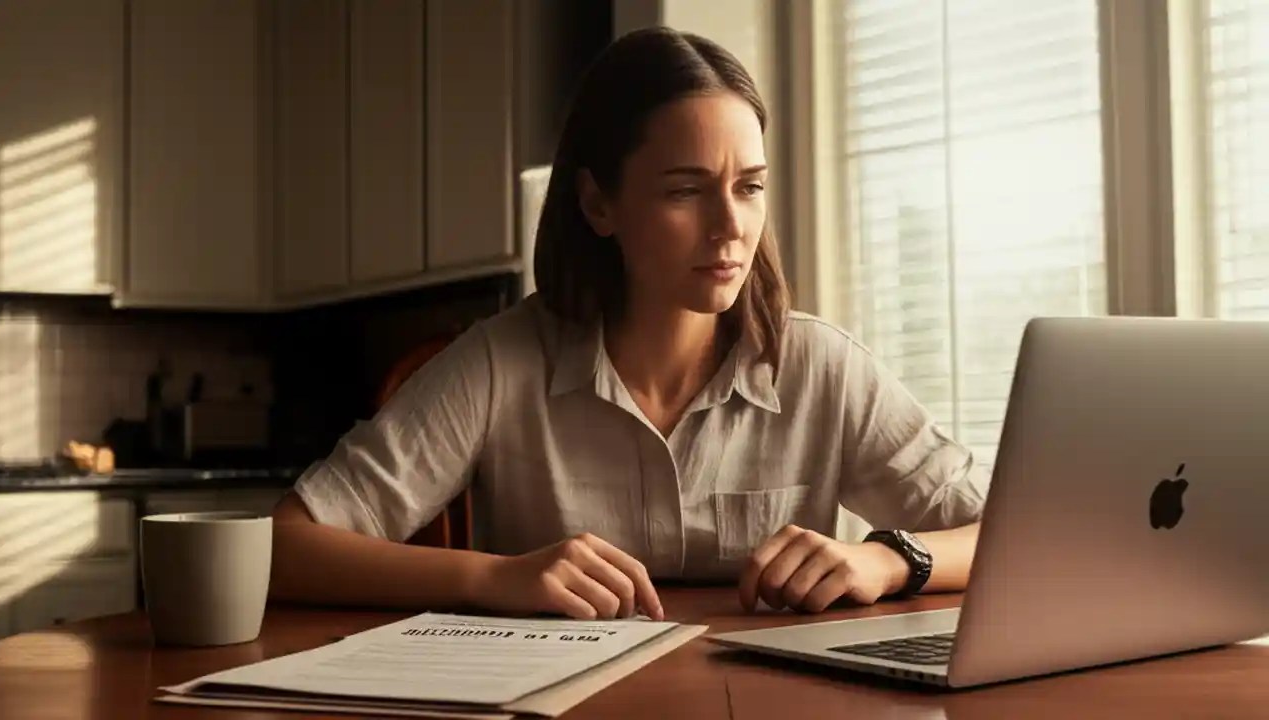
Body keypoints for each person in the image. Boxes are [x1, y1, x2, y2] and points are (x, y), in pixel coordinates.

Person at [270, 27, 985, 621]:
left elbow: (1012, 538)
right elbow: (282, 549)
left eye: (750, 187)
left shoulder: (822, 367)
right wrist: (493, 578)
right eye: (686, 191)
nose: (730, 227)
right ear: (598, 204)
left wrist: (888, 558)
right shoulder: (501, 363)